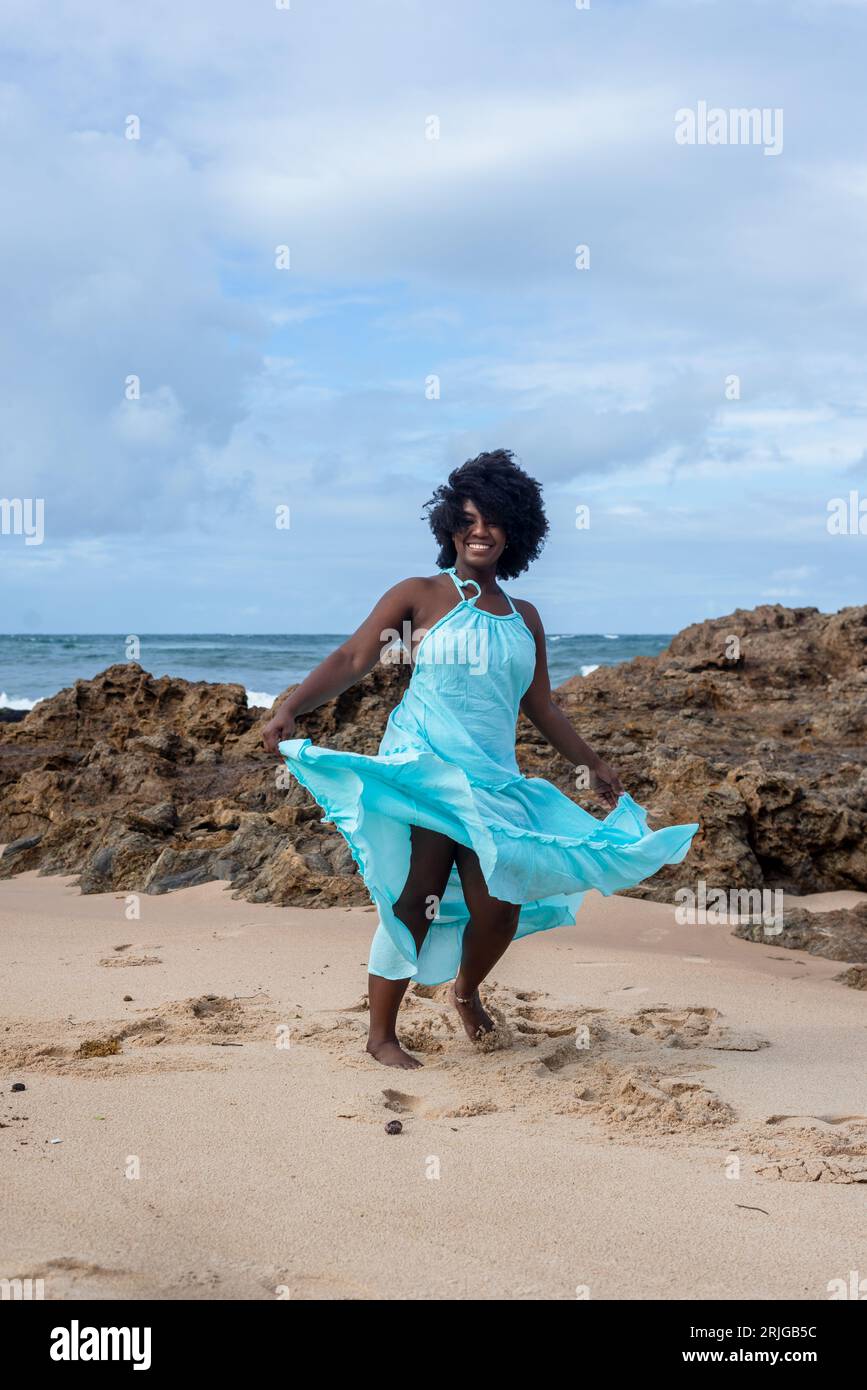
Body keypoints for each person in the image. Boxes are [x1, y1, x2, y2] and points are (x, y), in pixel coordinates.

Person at [263, 449, 698, 1069]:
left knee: (500, 904)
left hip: (492, 777)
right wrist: (292, 706)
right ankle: (381, 1035)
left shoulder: (525, 618)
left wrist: (594, 763)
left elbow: (540, 705)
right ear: (449, 526)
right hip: (423, 766)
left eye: (493, 520)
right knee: (418, 896)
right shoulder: (419, 594)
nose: (479, 531)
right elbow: (354, 658)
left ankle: (465, 992)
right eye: (467, 519)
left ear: (514, 531)